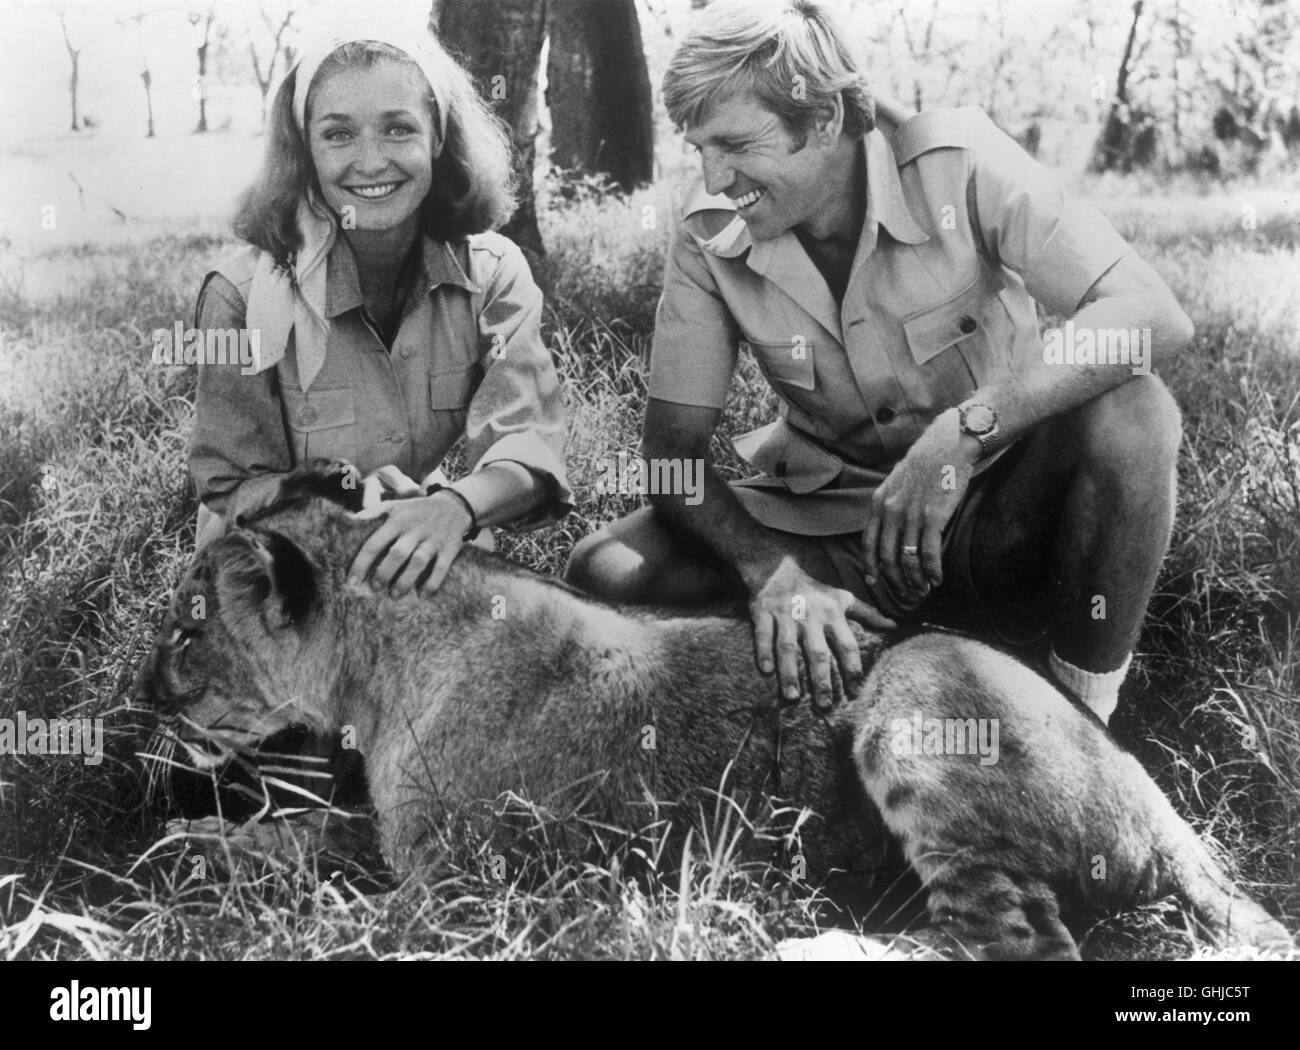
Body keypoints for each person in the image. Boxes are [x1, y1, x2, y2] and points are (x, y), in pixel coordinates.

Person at [564, 0, 1190, 725]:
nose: (712, 176)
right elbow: (672, 454)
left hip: (998, 508)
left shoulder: (958, 161)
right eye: (697, 146)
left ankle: (1085, 721)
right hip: (840, 532)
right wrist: (773, 572)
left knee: (1135, 413)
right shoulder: (708, 237)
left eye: (734, 144)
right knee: (606, 568)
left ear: (823, 119)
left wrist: (965, 431)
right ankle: (841, 687)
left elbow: (1150, 311)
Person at [181, 19, 570, 816]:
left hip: (427, 552)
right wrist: (342, 505)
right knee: (280, 802)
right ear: (304, 152)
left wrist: (452, 505)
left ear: (440, 141)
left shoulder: (494, 270)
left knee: (494, 765)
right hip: (285, 583)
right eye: (338, 134)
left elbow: (526, 448)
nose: (370, 160)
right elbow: (228, 488)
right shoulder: (240, 293)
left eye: (399, 128)